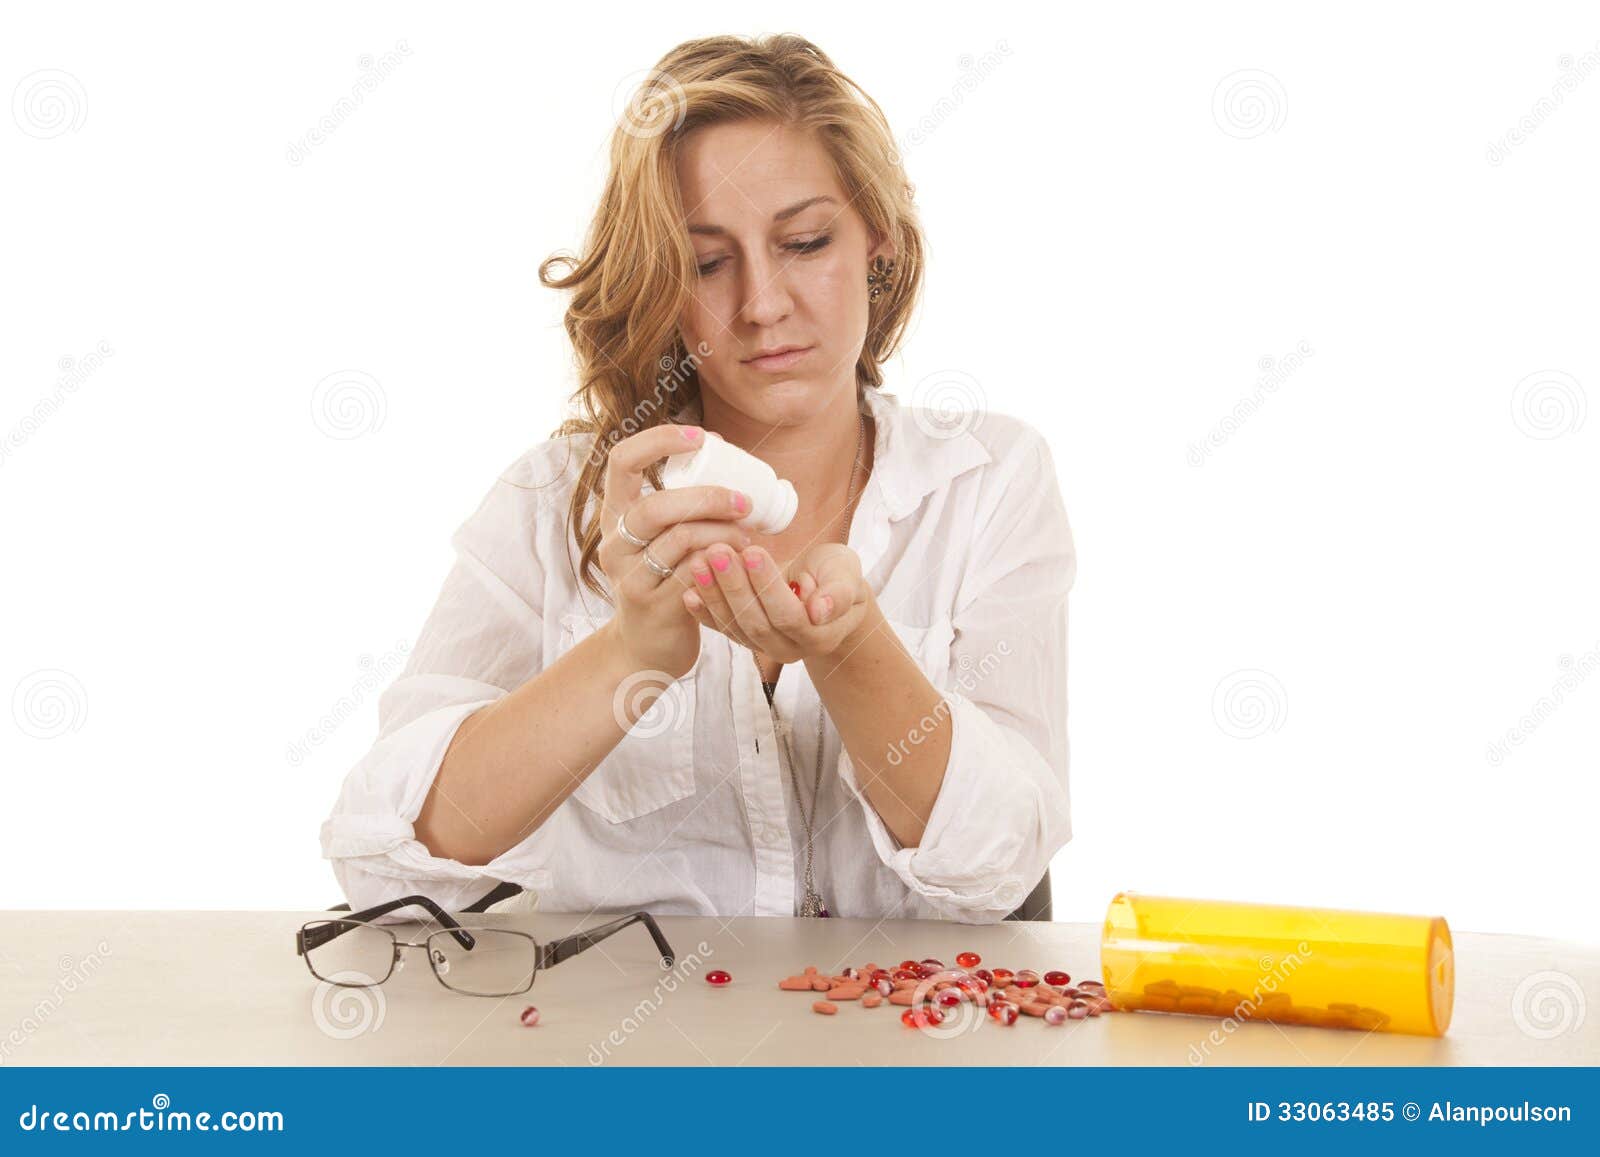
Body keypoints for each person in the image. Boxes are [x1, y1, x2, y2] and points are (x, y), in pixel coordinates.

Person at [319, 33, 1075, 923]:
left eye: (803, 241)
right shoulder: (548, 503)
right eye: (707, 262)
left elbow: (1001, 865)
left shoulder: (986, 483)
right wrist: (631, 652)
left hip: (899, 1055)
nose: (762, 304)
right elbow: (385, 865)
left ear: (877, 234)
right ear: (660, 282)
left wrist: (852, 652)